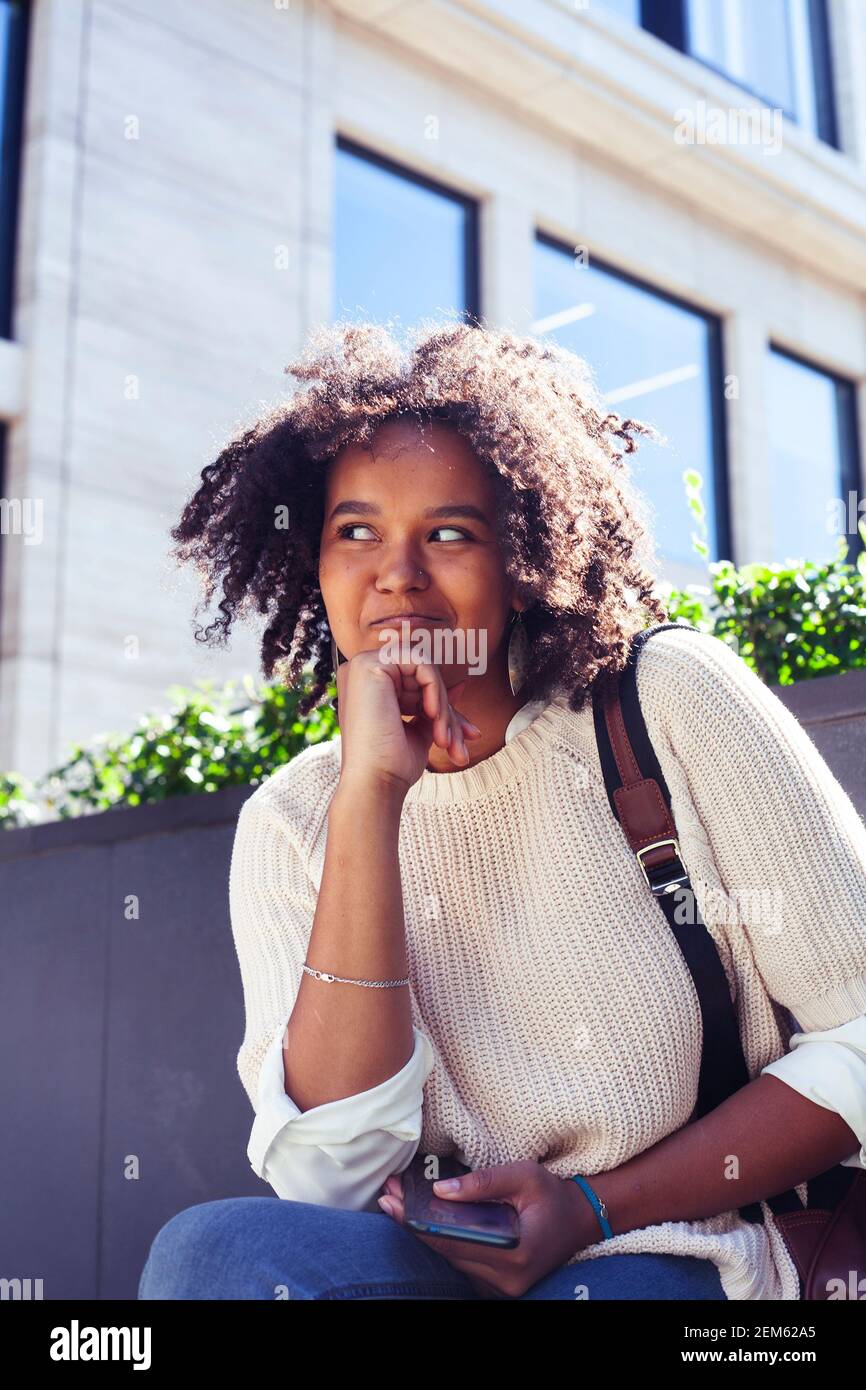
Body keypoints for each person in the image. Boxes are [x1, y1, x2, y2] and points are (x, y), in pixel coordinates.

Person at [139, 319, 866, 1301]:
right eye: (356, 531)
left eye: (448, 532)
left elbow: (857, 1035)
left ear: (522, 556)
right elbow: (326, 1173)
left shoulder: (660, 701)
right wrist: (371, 798)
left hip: (698, 1248)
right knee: (213, 1251)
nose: (396, 571)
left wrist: (594, 1207)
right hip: (449, 1271)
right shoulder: (295, 816)